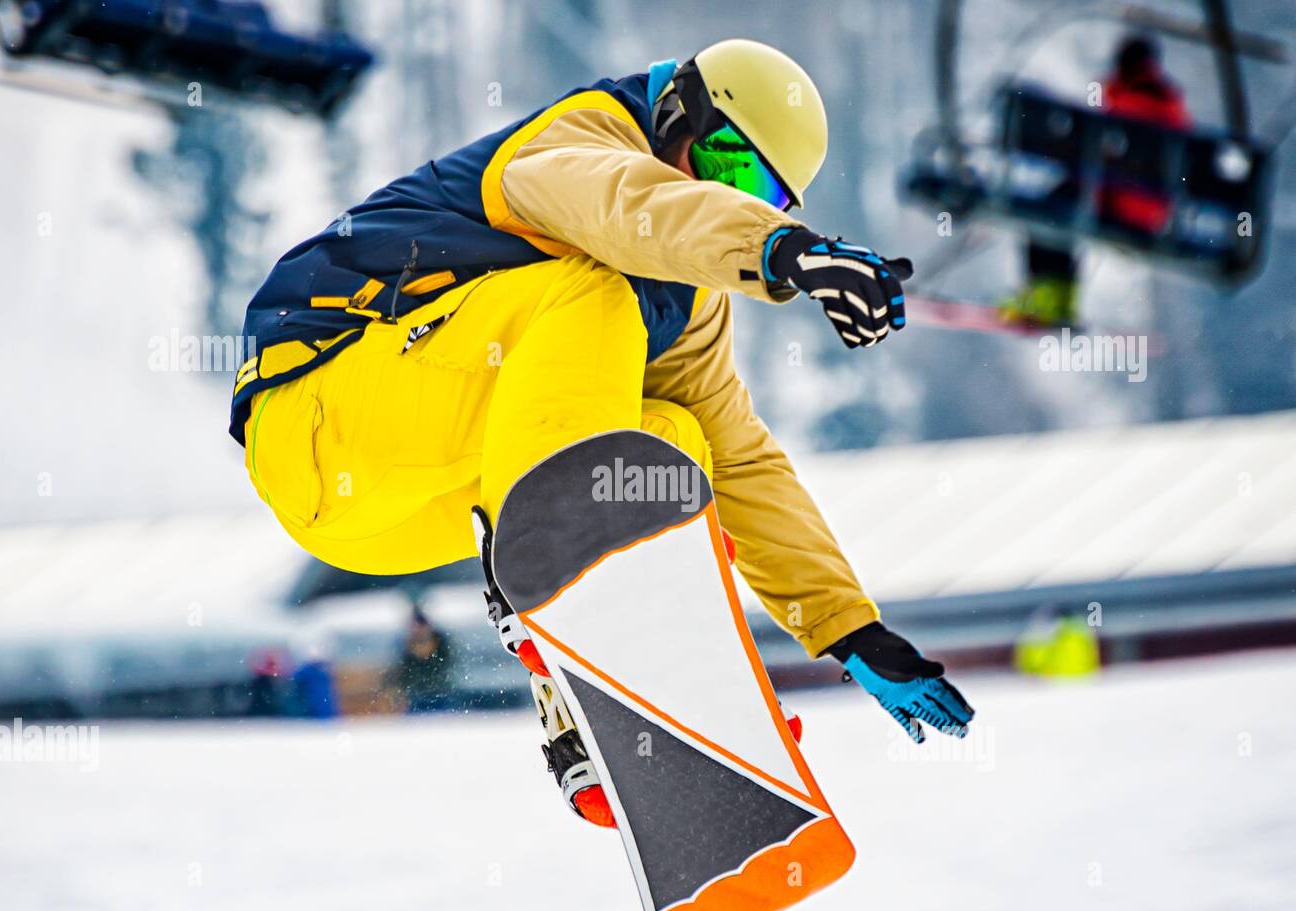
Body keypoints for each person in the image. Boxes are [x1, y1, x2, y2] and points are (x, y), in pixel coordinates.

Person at [232, 38, 975, 819]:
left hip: (396, 519)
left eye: (760, 194)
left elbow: (742, 462)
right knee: (592, 290)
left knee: (681, 444)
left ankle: (604, 699)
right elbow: (632, 206)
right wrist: (781, 249)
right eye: (726, 164)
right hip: (323, 409)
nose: (726, 191)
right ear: (678, 110)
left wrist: (850, 628)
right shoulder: (576, 142)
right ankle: (566, 615)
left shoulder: (688, 301)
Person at [1002, 34, 1191, 326]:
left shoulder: (1127, 102)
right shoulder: (1170, 106)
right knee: (1065, 207)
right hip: (1153, 212)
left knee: (1051, 211)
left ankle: (1046, 297)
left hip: (1120, 201)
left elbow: (1105, 155)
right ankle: (1058, 299)